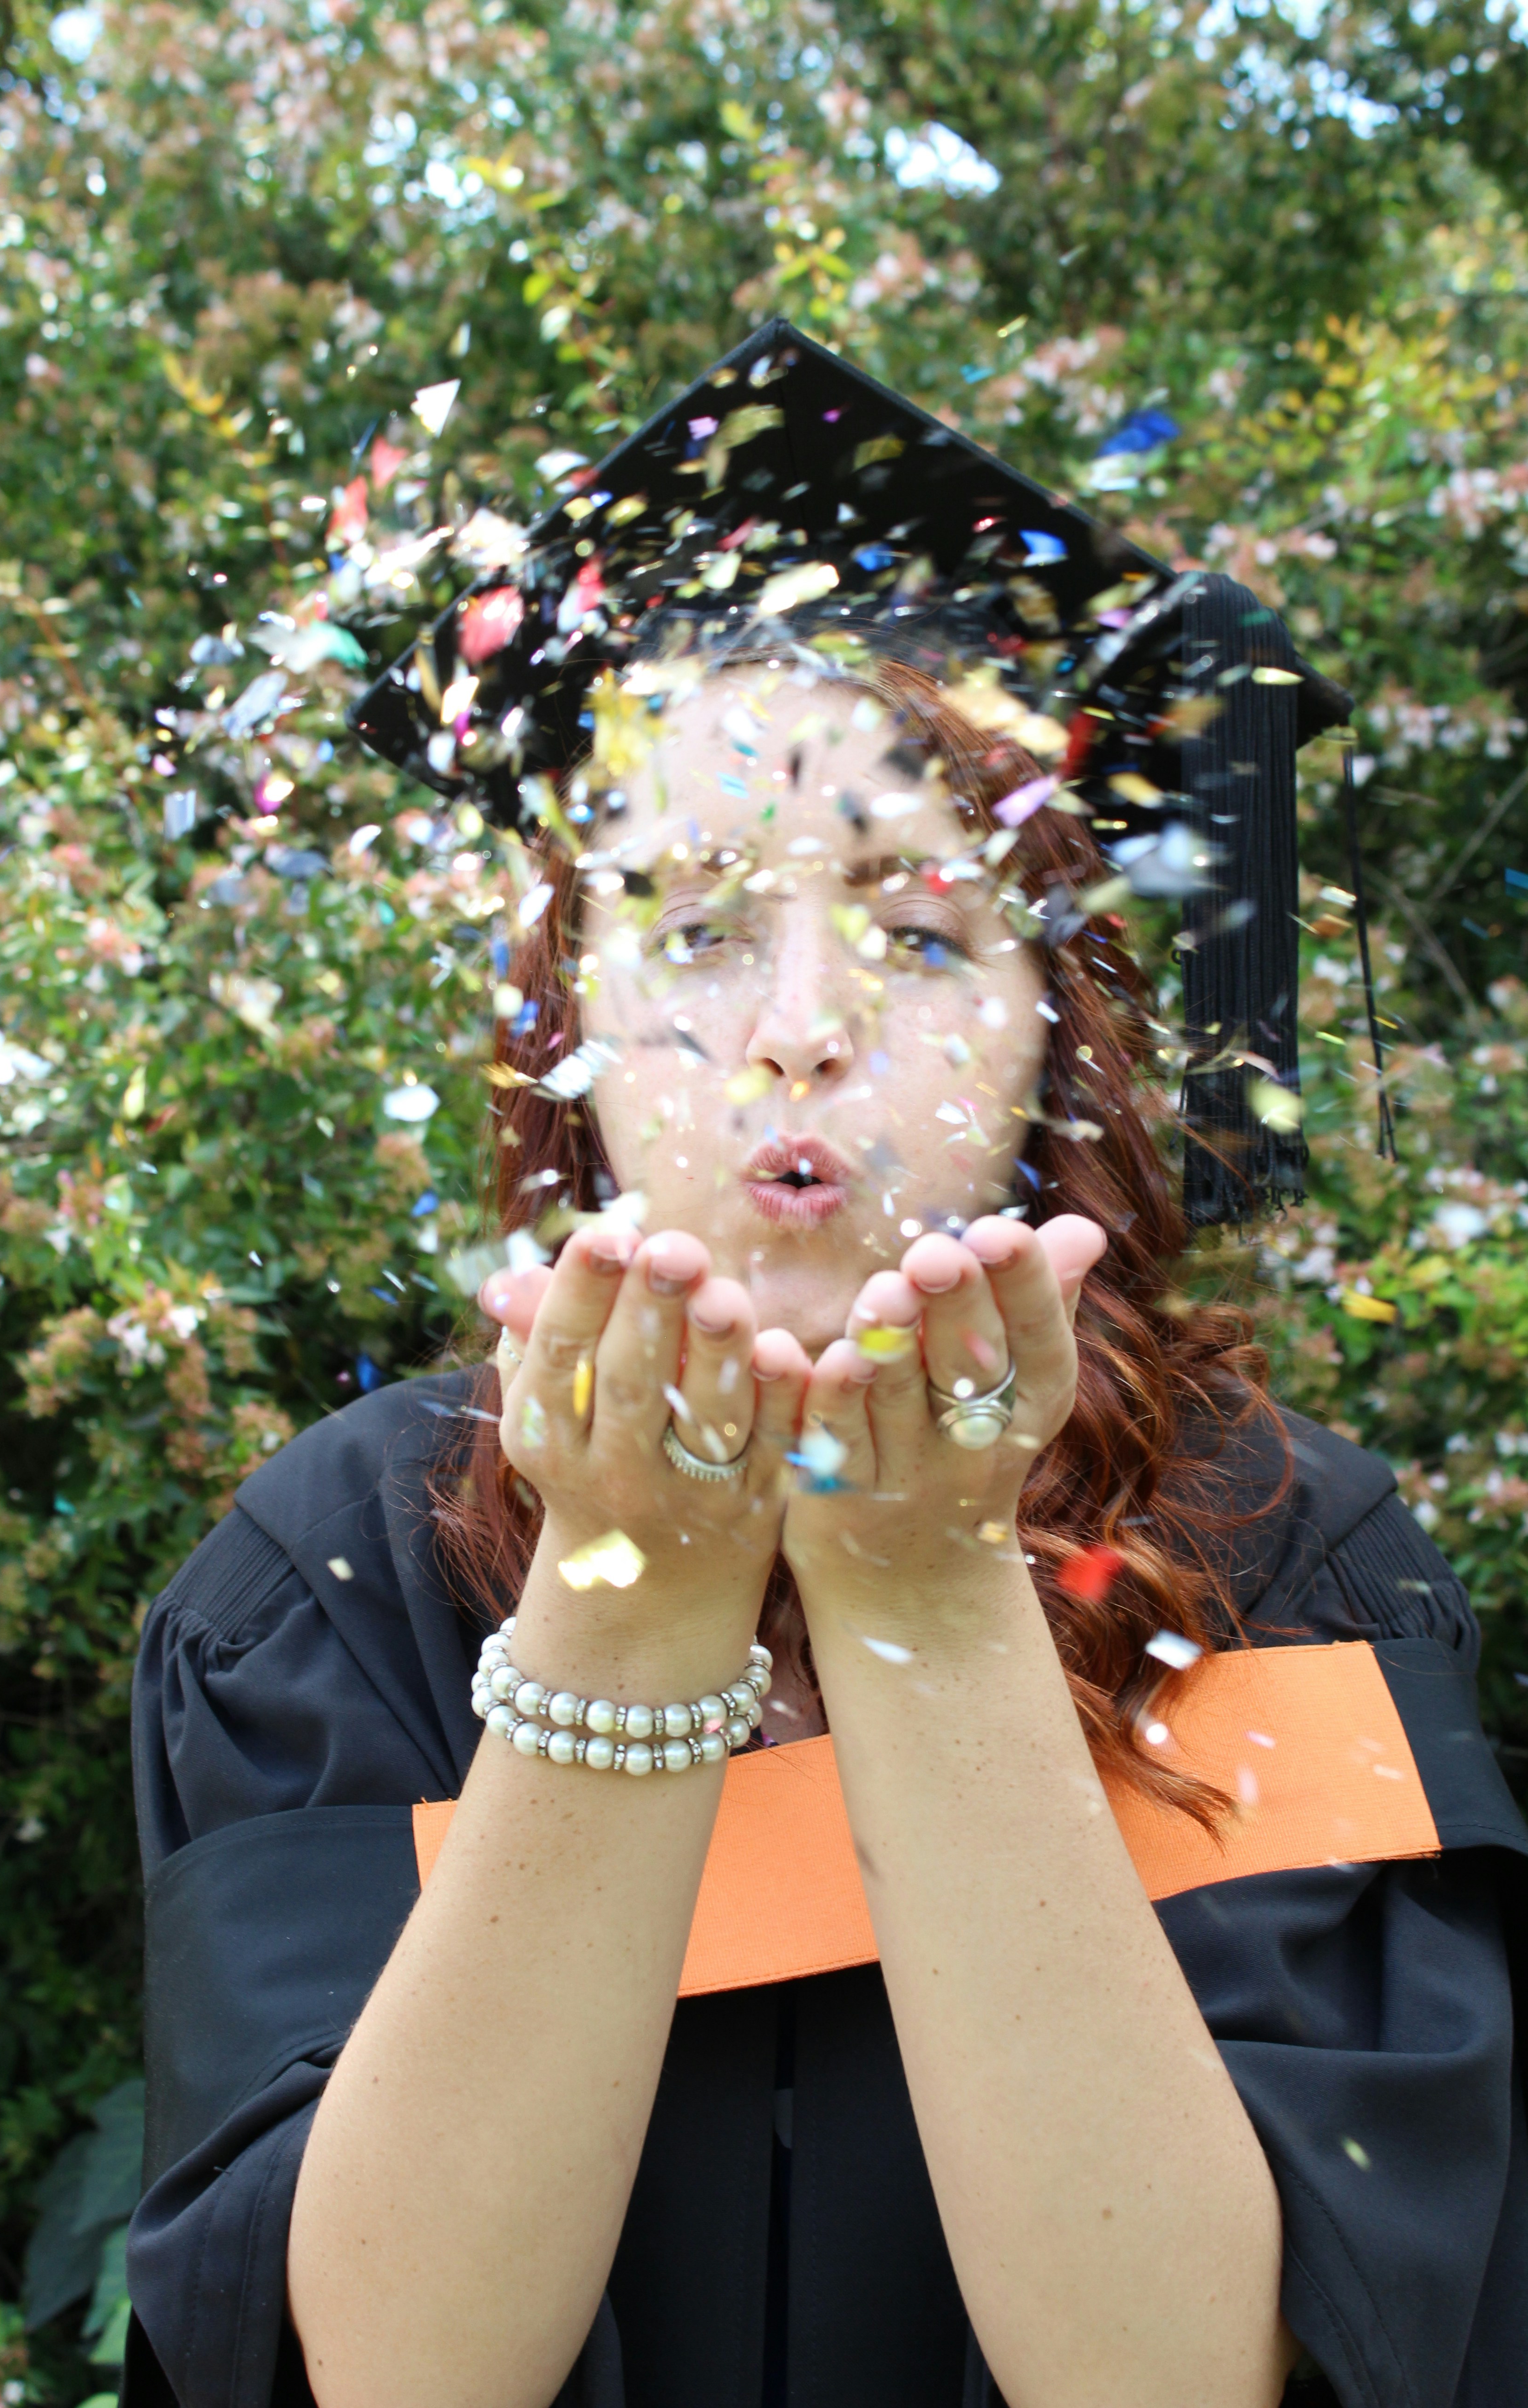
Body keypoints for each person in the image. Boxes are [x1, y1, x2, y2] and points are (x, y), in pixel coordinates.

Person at [124, 325, 1528, 2408]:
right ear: (558, 1026)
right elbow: (388, 2374)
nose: (799, 1023)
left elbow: (1204, 2378)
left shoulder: (1286, 1552)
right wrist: (633, 1600)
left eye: (925, 928)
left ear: (1065, 1032)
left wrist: (927, 1588)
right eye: (691, 928)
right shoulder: (335, 1576)